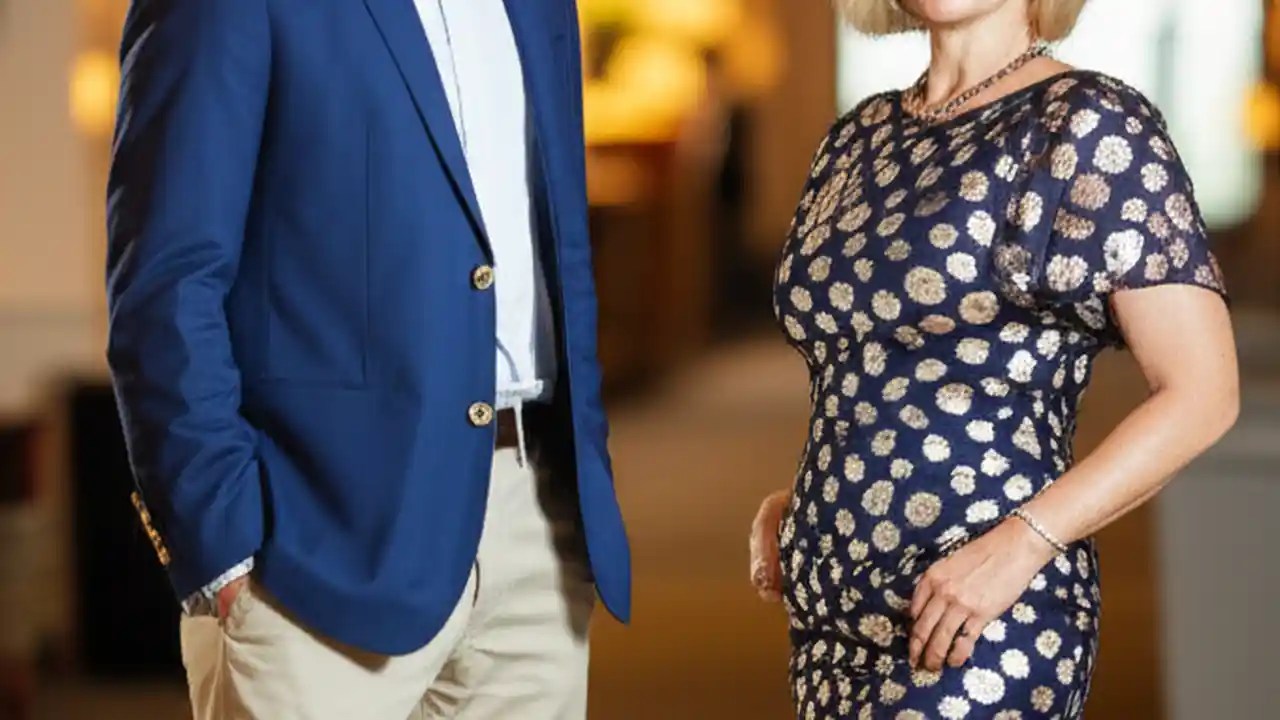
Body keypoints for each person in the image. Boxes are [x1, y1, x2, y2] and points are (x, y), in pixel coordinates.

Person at [105, 0, 629, 717]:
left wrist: (582, 474)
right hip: (313, 550)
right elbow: (166, 283)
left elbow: (561, 246)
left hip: (536, 528)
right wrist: (220, 544)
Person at [748, 0, 1238, 717]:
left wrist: (1022, 545)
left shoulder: (1089, 124)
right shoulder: (858, 137)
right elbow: (875, 364)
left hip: (980, 615)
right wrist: (814, 495)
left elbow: (1204, 393)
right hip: (829, 619)